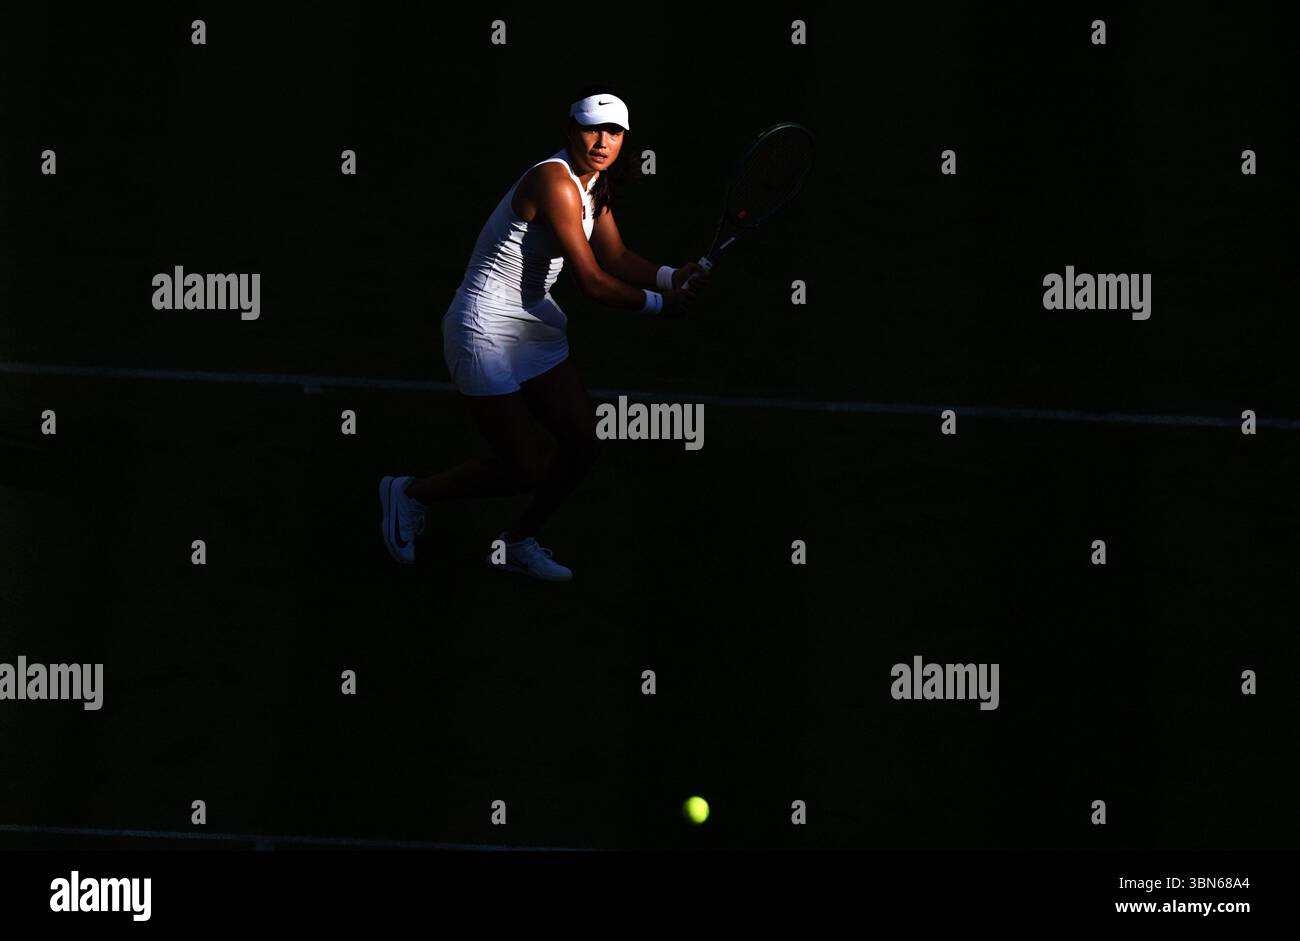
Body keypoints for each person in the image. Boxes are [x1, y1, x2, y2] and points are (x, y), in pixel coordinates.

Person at [381, 86, 711, 580]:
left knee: (582, 444)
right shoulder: (553, 182)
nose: (603, 141)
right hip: (483, 325)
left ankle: (517, 542)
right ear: (571, 131)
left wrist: (669, 276)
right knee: (520, 468)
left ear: (624, 140)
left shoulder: (593, 183)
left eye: (614, 132)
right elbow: (594, 282)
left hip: (532, 322)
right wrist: (663, 306)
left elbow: (616, 255)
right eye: (592, 129)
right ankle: (408, 493)